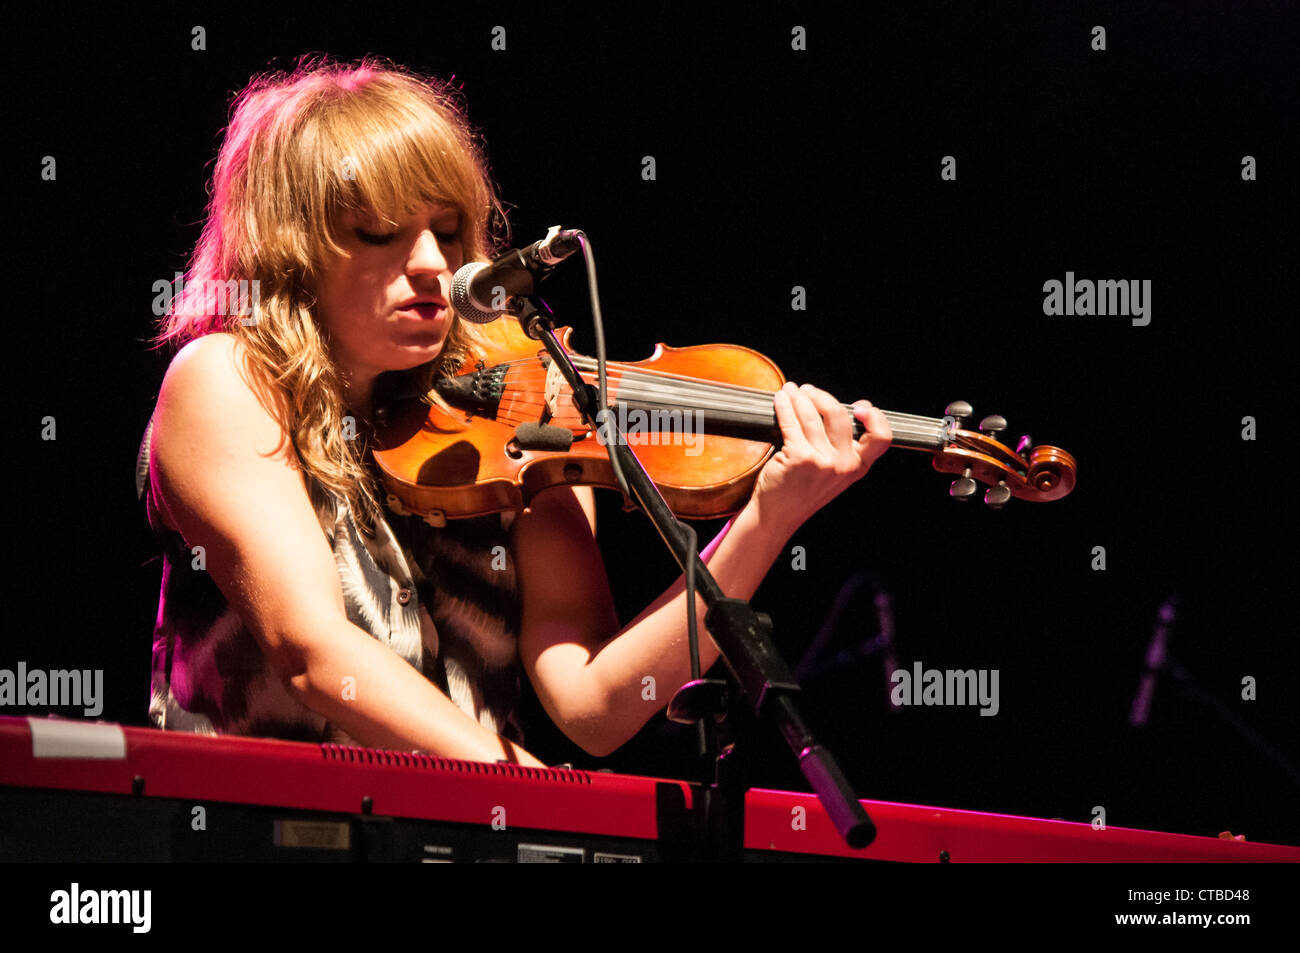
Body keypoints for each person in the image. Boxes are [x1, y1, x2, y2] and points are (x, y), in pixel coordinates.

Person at [139, 56, 891, 768]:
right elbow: (311, 651)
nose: (433, 263)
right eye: (380, 232)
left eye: (446, 229)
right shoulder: (228, 383)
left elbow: (594, 703)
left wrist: (768, 520)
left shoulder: (520, 419)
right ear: (290, 248)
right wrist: (524, 790)